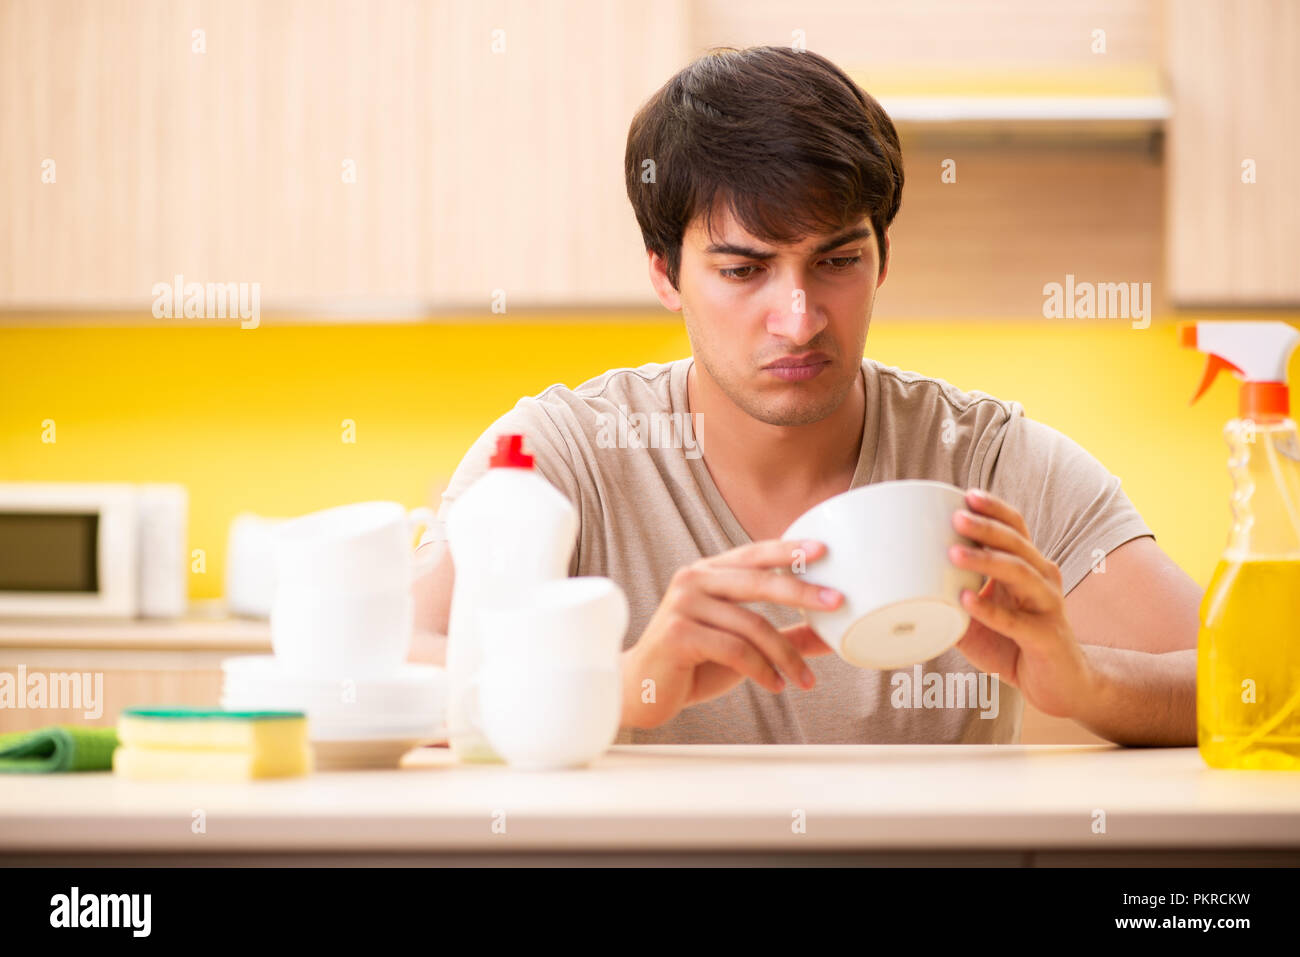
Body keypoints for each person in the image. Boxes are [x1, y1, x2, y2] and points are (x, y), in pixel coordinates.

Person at [411, 45, 1202, 747]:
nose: (799, 321)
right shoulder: (563, 456)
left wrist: (1088, 683)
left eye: (836, 260)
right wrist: (624, 681)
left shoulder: (989, 460)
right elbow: (393, 657)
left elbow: (1259, 679)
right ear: (663, 272)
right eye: (743, 270)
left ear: (882, 259)